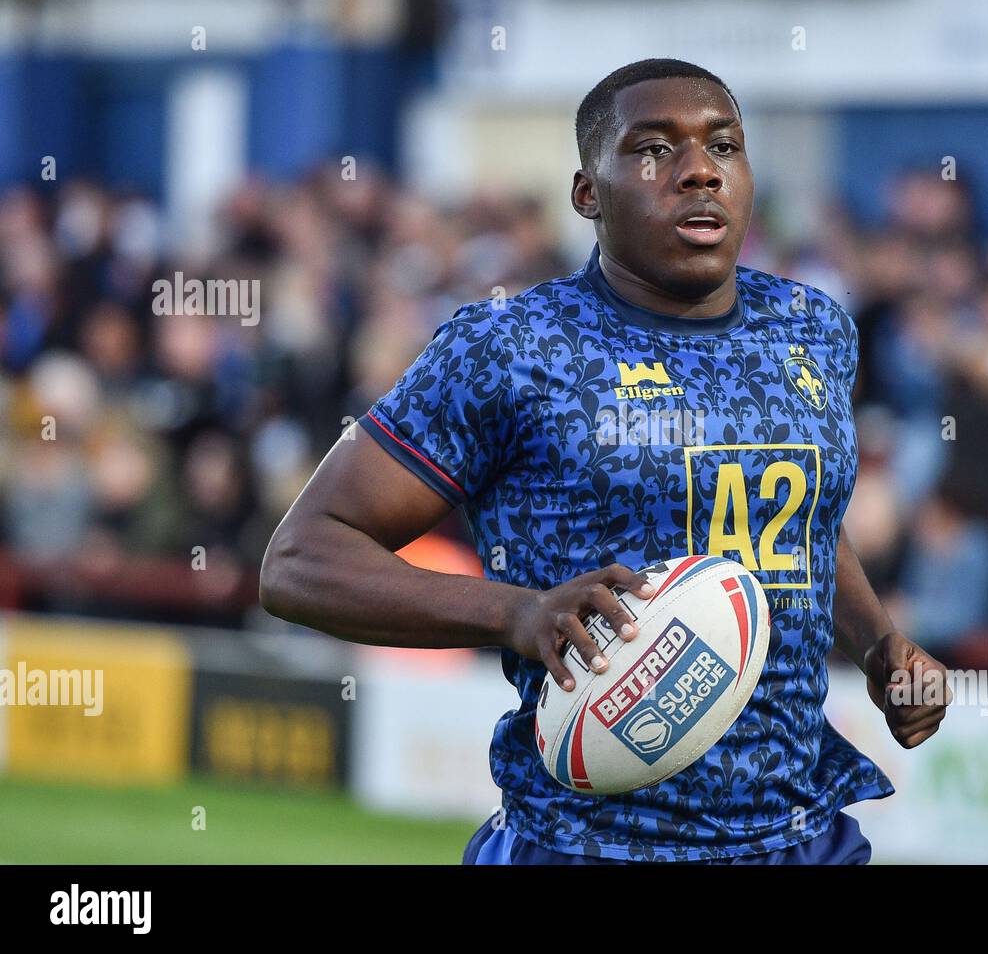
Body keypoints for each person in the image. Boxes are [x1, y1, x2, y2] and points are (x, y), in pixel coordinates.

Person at [260, 58, 949, 864]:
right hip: (582, 844)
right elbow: (300, 560)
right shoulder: (511, 347)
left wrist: (876, 642)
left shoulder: (812, 327)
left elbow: (801, 523)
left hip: (800, 839)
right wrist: (514, 614)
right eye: (654, 149)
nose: (699, 170)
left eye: (724, 146)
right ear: (588, 193)